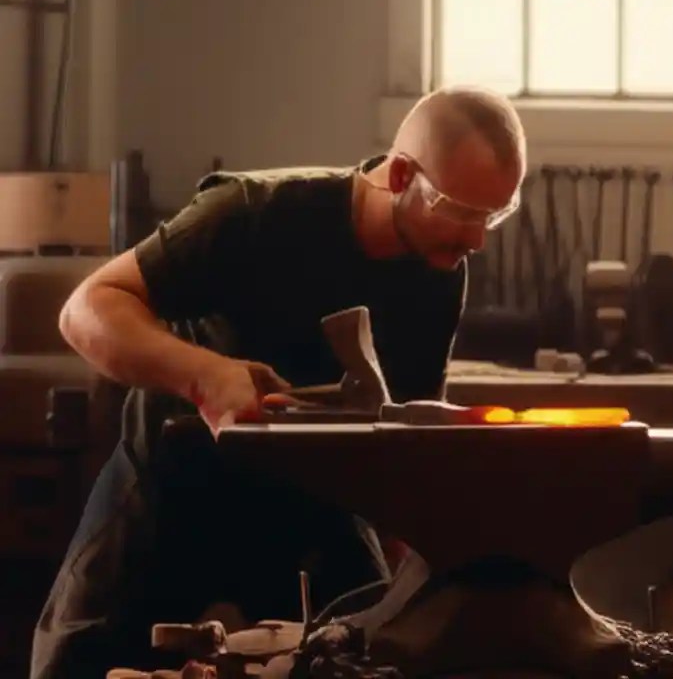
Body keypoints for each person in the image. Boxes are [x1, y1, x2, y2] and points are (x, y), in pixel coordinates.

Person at [29, 86, 527, 679]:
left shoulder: (438, 274)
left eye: (493, 215)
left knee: (385, 659)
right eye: (462, 212)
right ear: (399, 175)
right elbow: (86, 308)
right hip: (175, 478)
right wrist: (207, 376)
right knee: (75, 665)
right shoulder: (250, 214)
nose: (477, 240)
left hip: (319, 500)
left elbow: (408, 438)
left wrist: (419, 571)